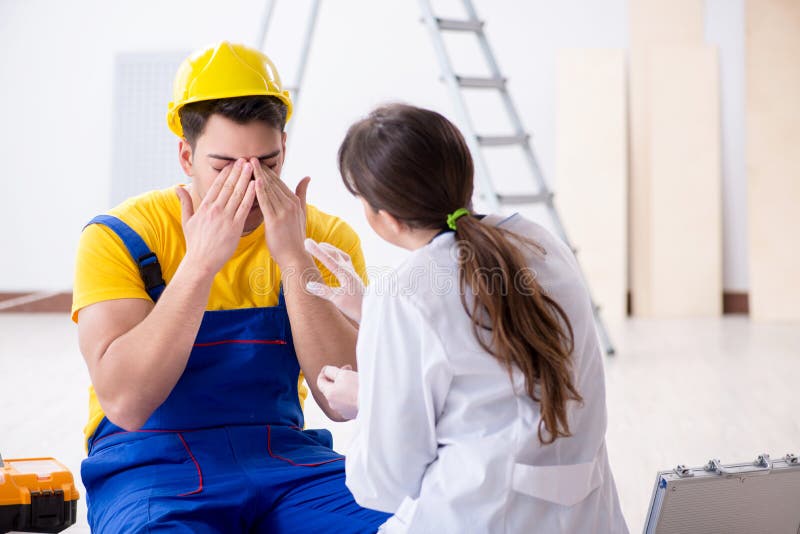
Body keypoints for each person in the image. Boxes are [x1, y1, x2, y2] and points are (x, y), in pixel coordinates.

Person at [72, 41, 390, 532]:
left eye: (269, 163)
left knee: (402, 523)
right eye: (224, 168)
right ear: (186, 155)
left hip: (284, 459)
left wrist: (294, 258)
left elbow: (340, 400)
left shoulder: (324, 239)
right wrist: (200, 264)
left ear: (285, 148)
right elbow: (127, 404)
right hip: (149, 468)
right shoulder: (119, 237)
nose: (251, 187)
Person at [307, 103, 629, 533]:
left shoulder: (404, 294)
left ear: (381, 216)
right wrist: (371, 313)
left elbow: (381, 484)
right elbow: (493, 366)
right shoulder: (539, 243)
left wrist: (369, 399)